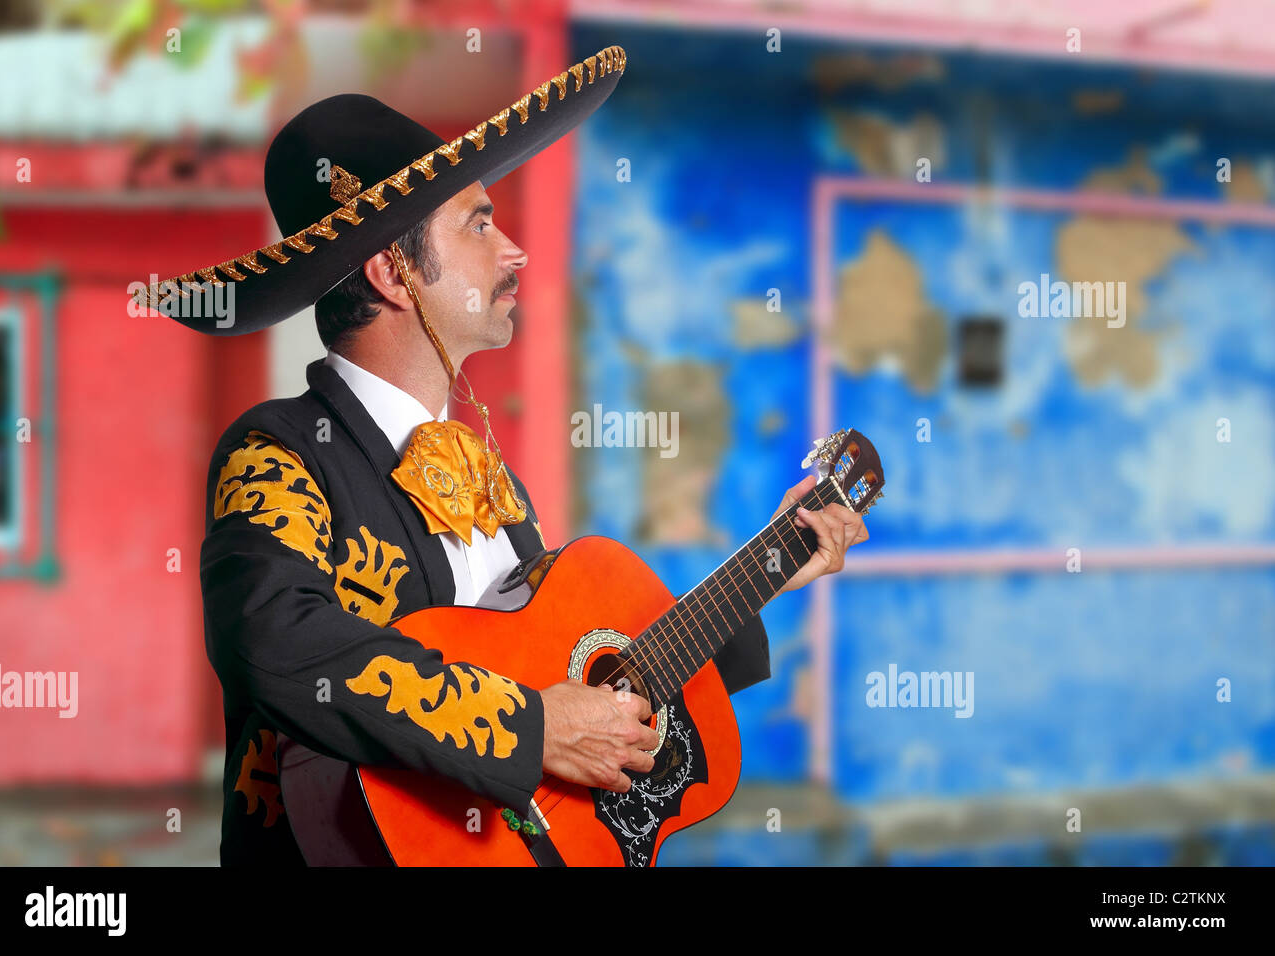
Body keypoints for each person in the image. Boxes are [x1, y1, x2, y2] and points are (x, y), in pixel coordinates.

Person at [133, 46, 868, 866]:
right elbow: (274, 639)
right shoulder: (277, 452)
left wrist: (766, 574)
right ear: (391, 272)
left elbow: (590, 699)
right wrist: (531, 727)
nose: (512, 251)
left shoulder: (496, 486)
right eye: (479, 223)